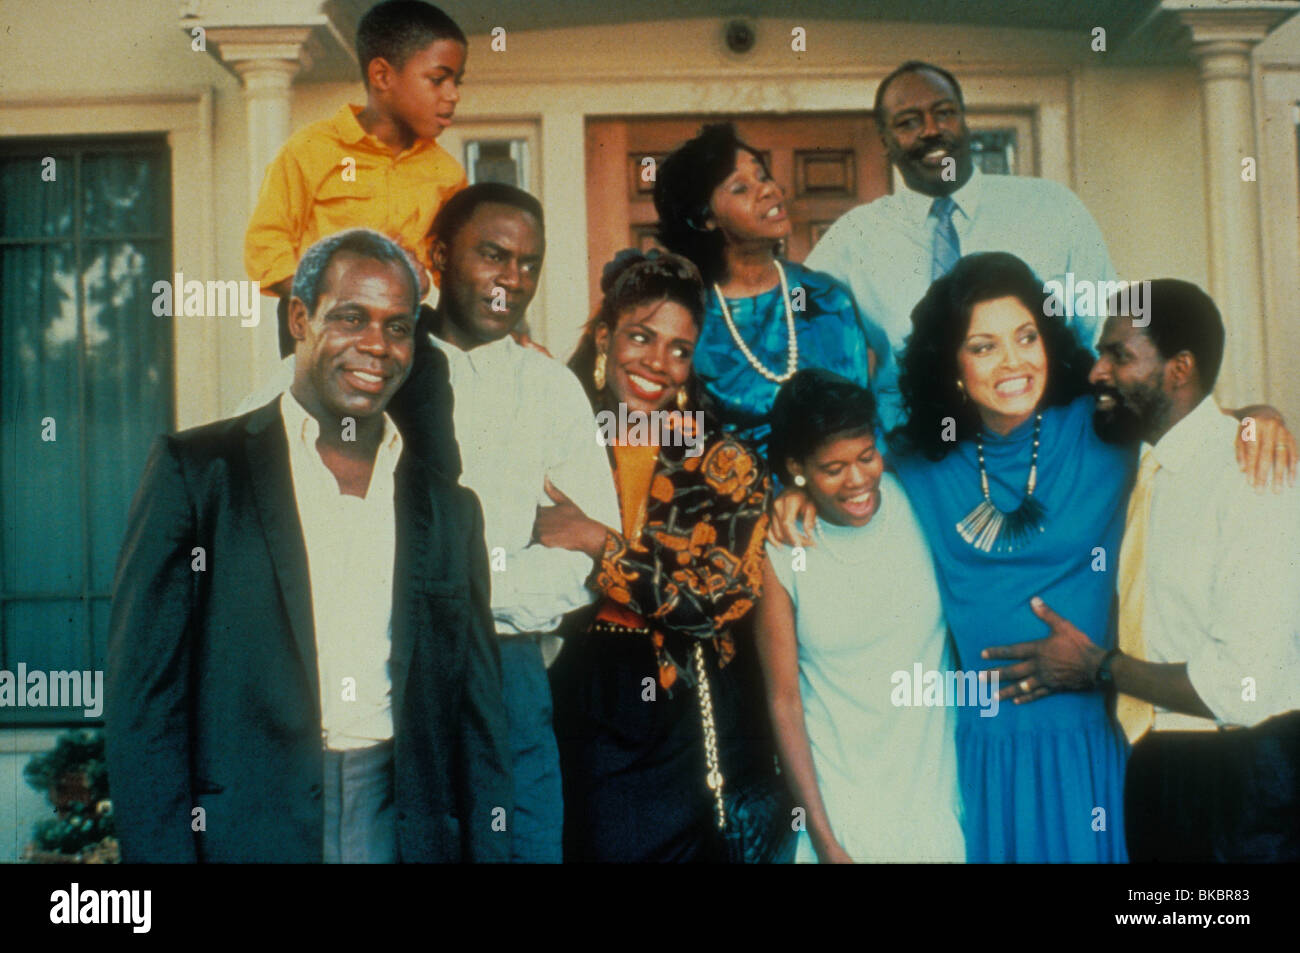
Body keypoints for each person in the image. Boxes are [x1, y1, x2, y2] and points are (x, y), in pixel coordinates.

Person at [768, 252, 1295, 862]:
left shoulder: (1104, 428)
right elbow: (838, 458)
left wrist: (1261, 420)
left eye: (1026, 338)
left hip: (1098, 744)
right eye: (984, 347)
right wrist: (794, 494)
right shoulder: (918, 460)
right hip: (985, 755)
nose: (1014, 362)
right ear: (954, 365)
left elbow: (1191, 424)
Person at [104, 229, 511, 863]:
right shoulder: (199, 474)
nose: (376, 346)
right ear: (300, 317)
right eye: (351, 318)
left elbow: (479, 723)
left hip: (400, 827)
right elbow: (144, 705)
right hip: (246, 830)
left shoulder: (448, 510)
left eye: (398, 327)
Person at [984, 279, 1300, 862]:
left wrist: (1097, 666)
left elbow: (1240, 687)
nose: (1097, 372)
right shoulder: (1149, 465)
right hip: (1161, 773)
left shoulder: (1252, 473)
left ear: (1180, 369)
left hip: (1239, 783)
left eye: (1119, 356)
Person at [542, 249, 771, 862]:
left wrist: (598, 543)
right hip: (555, 687)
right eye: (641, 337)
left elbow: (715, 601)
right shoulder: (549, 433)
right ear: (602, 337)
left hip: (670, 699)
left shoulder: (722, 461)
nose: (658, 363)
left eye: (680, 349)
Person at [420, 184, 621, 863]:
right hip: (399, 665)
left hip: (511, 674)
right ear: (439, 255)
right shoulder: (383, 365)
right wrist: (499, 570)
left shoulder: (549, 388)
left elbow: (584, 560)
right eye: (493, 255)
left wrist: (456, 591)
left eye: (529, 263)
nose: (513, 278)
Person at [806, 60, 1117, 433]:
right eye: (908, 122)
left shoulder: (1052, 208)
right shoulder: (852, 239)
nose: (932, 130)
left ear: (965, 121)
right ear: (885, 141)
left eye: (945, 114)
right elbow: (798, 329)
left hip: (1046, 442)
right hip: (917, 458)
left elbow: (1099, 331)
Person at [756, 369, 965, 864]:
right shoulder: (782, 551)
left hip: (932, 812)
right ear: (796, 467)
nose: (857, 480)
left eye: (865, 457)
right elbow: (784, 702)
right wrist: (826, 842)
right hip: (842, 819)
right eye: (832, 468)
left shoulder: (917, 500)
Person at [244, 0, 468, 357]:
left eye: (456, 82)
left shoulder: (446, 173)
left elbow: (454, 266)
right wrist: (334, 291)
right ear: (382, 76)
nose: (453, 95)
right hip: (321, 327)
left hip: (399, 327)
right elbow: (266, 245)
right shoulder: (311, 149)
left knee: (434, 403)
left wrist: (423, 279)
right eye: (438, 79)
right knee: (316, 411)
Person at [654, 122, 872, 460]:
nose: (768, 190)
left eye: (764, 176)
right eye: (741, 188)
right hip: (721, 503)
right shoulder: (685, 315)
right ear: (704, 219)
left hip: (827, 502)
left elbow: (859, 424)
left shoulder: (826, 300)